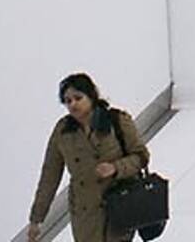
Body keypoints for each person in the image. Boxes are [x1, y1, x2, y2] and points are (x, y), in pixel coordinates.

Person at [29, 73, 150, 242]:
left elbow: (141, 157)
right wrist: (36, 219)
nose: (73, 104)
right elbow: (49, 176)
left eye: (78, 98)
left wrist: (116, 168)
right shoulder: (62, 131)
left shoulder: (117, 120)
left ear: (91, 96)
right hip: (84, 212)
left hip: (118, 204)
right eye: (67, 101)